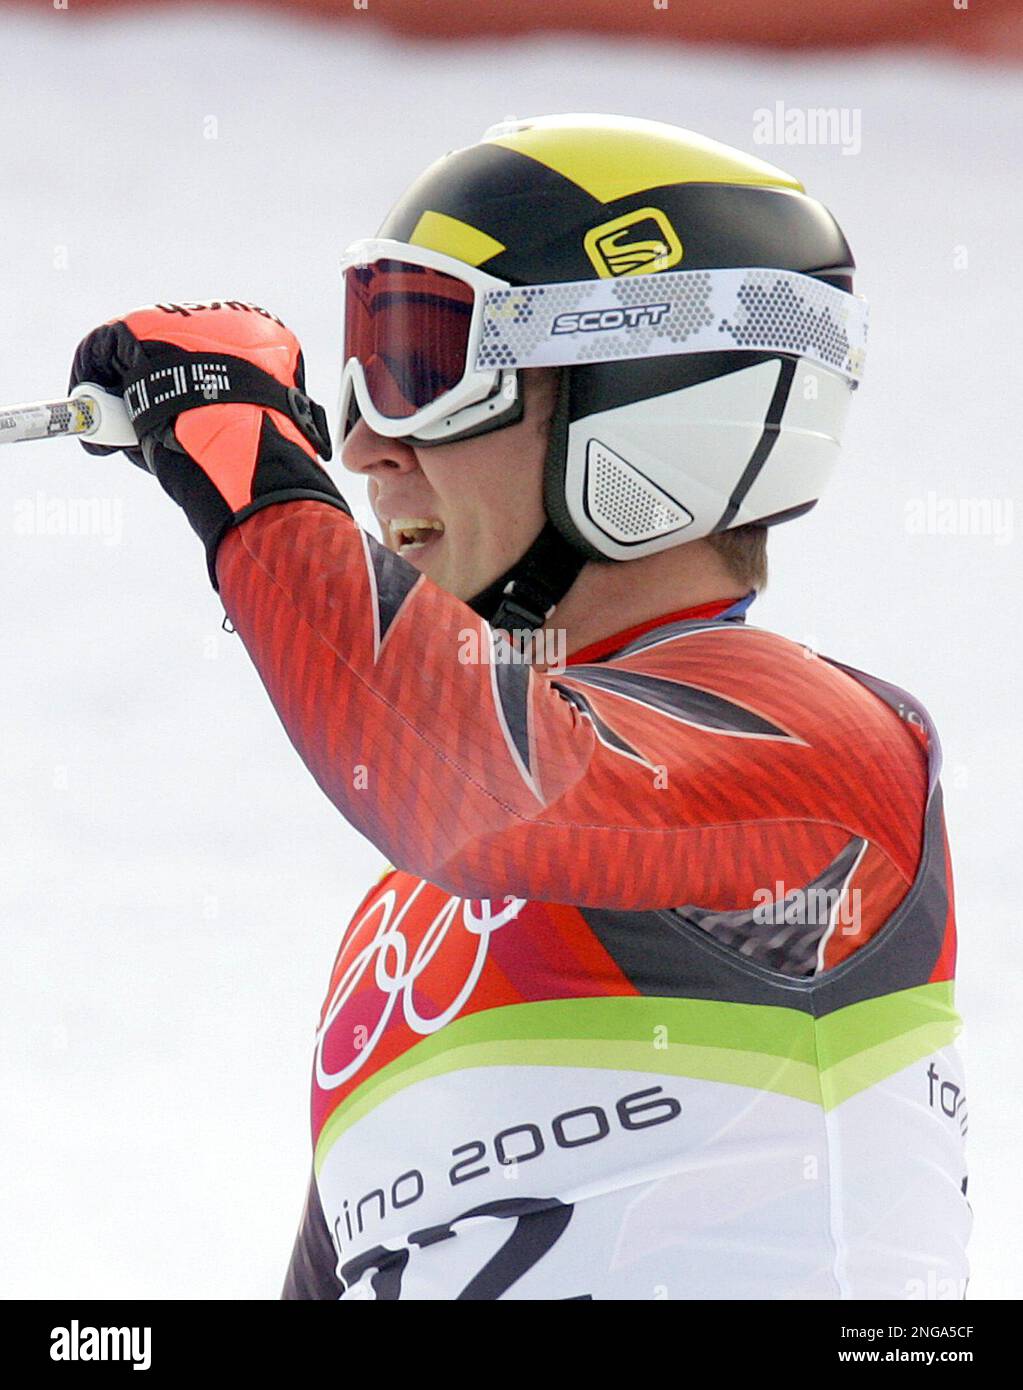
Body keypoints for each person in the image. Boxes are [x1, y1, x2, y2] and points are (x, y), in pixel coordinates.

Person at [69, 113, 970, 1301]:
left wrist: (250, 463)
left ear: (649, 400)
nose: (366, 444)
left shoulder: (830, 750)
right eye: (361, 374)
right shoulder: (406, 913)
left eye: (429, 370)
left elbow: (483, 780)